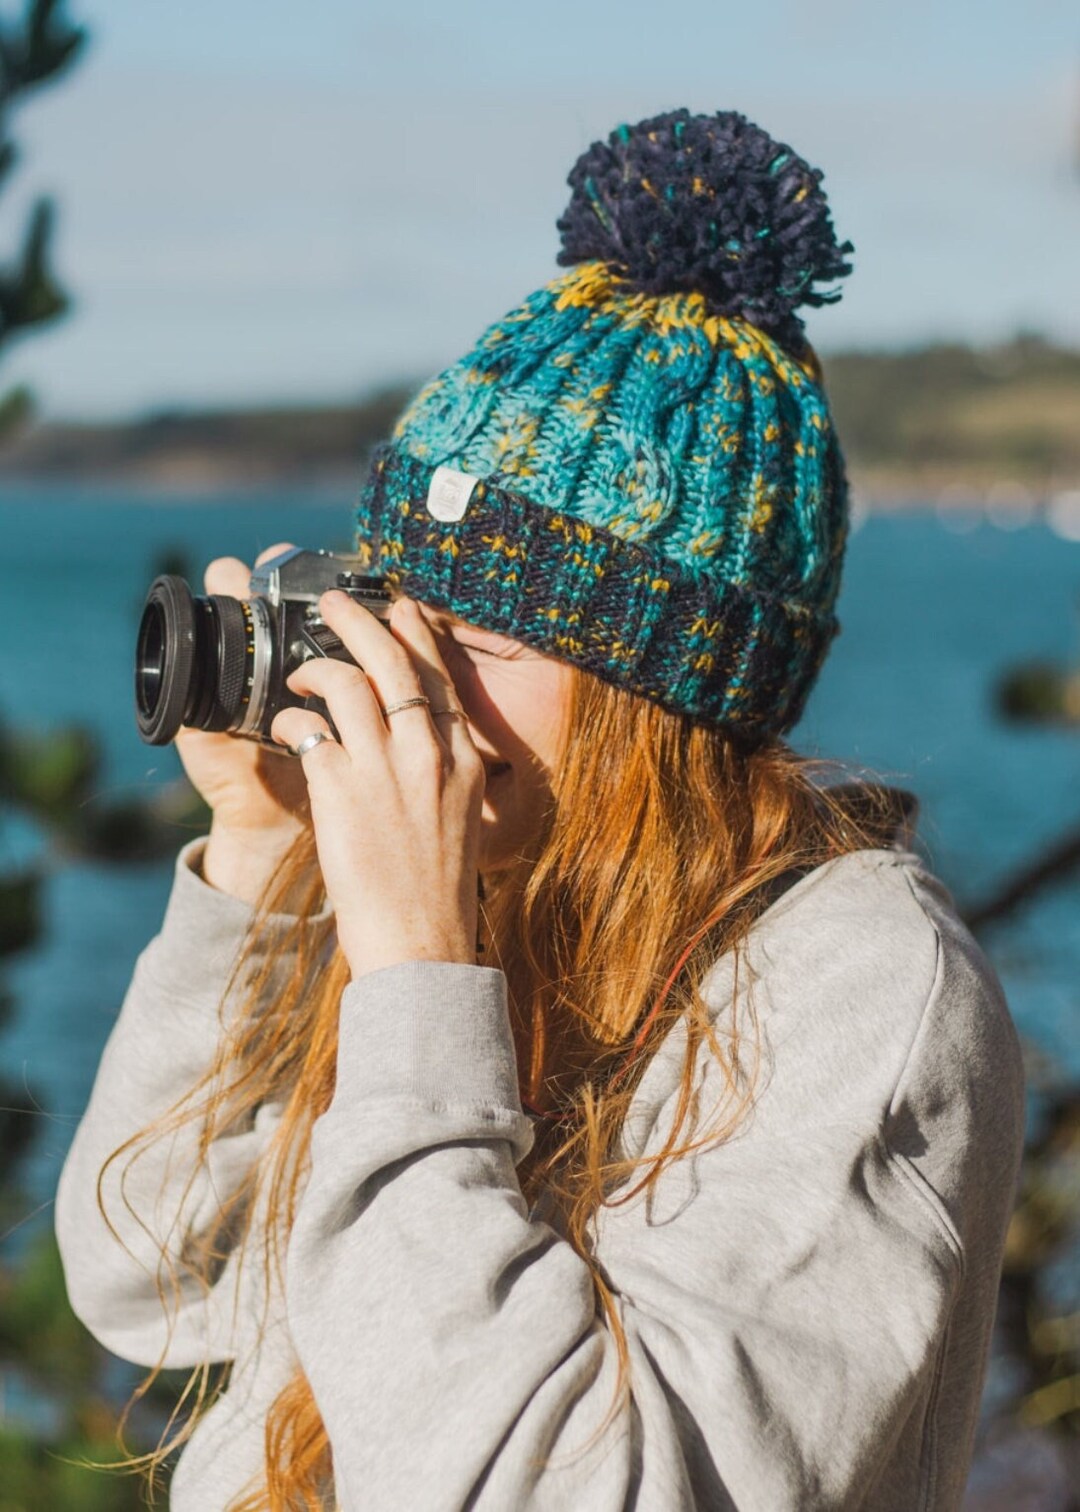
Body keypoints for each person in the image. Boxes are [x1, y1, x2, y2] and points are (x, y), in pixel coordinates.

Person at [55, 109, 1025, 1511]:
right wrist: (267, 867)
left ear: (659, 697)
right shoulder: (497, 879)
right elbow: (158, 1278)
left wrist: (416, 981)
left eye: (487, 643)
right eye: (401, 610)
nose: (410, 680)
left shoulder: (862, 982)